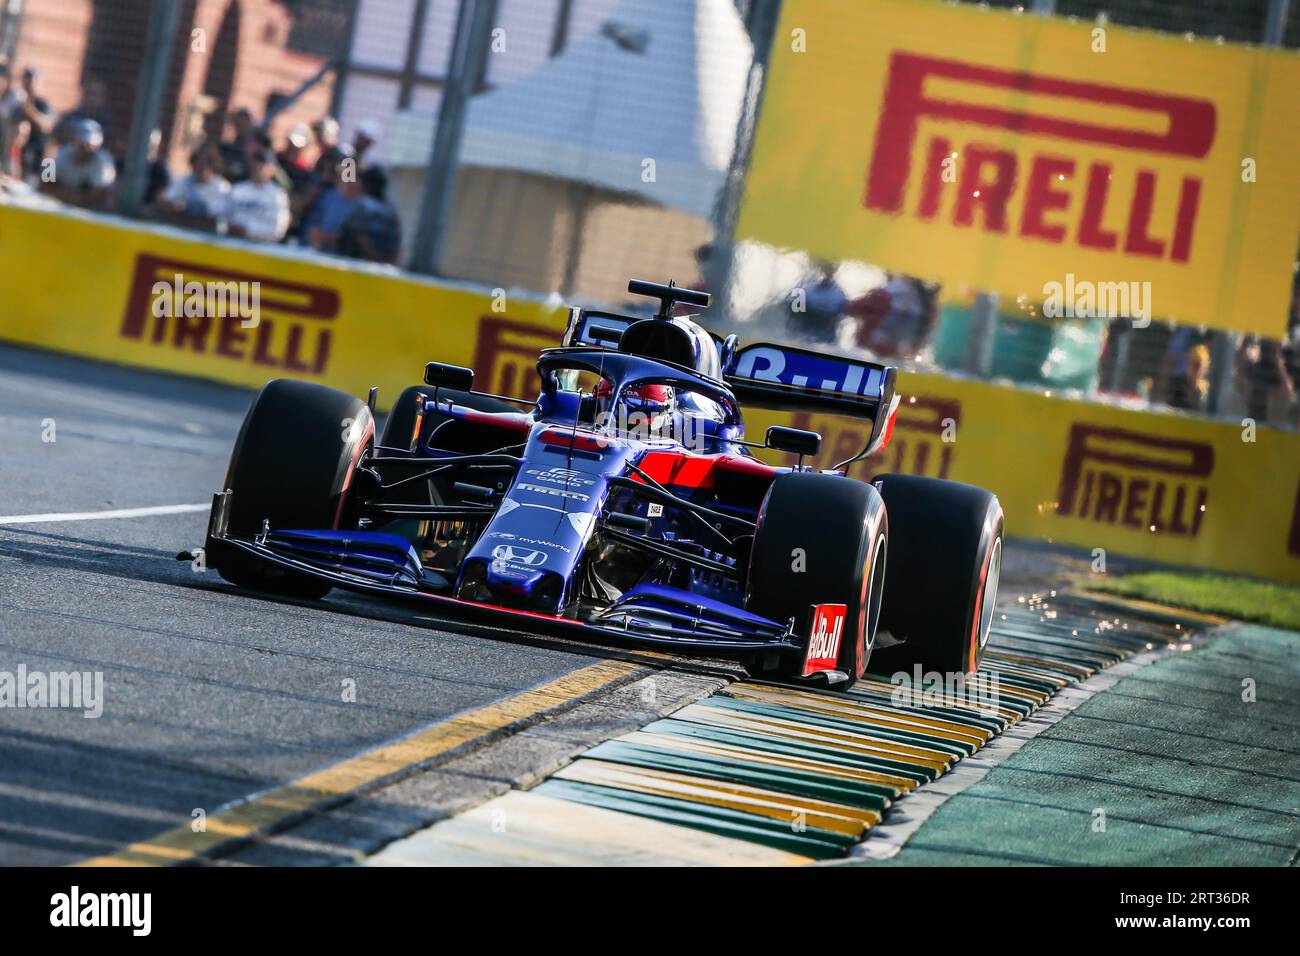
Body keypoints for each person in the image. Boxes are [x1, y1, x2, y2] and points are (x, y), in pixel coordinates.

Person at [45, 118, 115, 210]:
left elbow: (101, 194)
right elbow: (44, 183)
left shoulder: (105, 162)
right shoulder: (58, 154)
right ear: (75, 141)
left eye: (90, 145)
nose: (86, 149)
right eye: (82, 144)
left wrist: (73, 199)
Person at [337, 165, 402, 264]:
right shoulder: (390, 210)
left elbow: (359, 236)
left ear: (366, 184)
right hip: (379, 266)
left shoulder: (362, 205)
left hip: (355, 262)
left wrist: (374, 257)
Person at [299, 145, 358, 253]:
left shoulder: (352, 195)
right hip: (304, 247)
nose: (338, 166)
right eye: (335, 161)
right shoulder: (318, 182)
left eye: (345, 163)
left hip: (331, 252)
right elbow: (301, 207)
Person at [158, 144, 231, 230]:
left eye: (204, 164)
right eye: (197, 163)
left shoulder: (222, 187)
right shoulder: (182, 181)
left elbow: (220, 216)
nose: (200, 167)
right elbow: (166, 201)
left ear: (212, 165)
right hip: (181, 229)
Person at [227, 147, 290, 241]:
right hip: (230, 243)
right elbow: (224, 217)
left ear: (273, 169)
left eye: (264, 164)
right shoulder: (238, 189)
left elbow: (278, 230)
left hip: (260, 248)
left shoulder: (277, 195)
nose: (259, 167)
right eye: (257, 162)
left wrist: (248, 232)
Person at [786, 260, 847, 343]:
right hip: (802, 335)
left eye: (830, 268)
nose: (826, 271)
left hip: (824, 339)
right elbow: (793, 309)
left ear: (834, 271)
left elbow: (838, 316)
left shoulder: (839, 294)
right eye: (824, 267)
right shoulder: (805, 286)